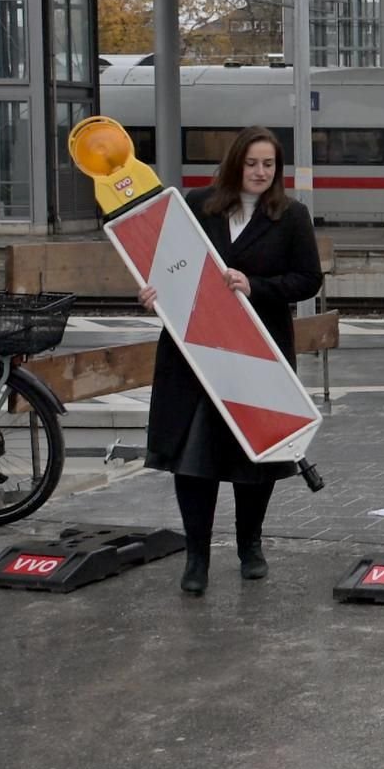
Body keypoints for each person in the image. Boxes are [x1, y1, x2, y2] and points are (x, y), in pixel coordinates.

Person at [139, 126, 321, 595]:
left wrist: (256, 286)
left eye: (269, 165)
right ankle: (196, 556)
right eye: (252, 163)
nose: (260, 173)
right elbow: (162, 263)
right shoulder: (195, 206)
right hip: (193, 355)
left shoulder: (292, 216)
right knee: (193, 458)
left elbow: (307, 280)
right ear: (235, 163)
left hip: (258, 355)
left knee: (255, 457)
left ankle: (250, 546)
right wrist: (149, 292)